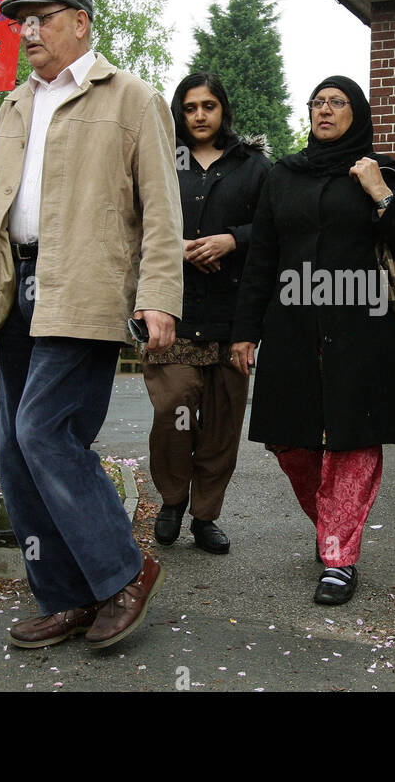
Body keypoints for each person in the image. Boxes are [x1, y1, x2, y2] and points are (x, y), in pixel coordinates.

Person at [0, 0, 183, 650]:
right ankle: (67, 597)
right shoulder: (12, 107)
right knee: (12, 451)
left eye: (42, 17)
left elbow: (161, 208)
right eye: (20, 22)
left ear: (83, 23)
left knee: (43, 431)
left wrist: (158, 295)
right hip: (18, 286)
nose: (27, 31)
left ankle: (124, 572)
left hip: (84, 287)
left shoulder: (133, 99)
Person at [230, 75, 395, 605]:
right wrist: (245, 331)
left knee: (352, 439)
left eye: (337, 103)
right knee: (290, 442)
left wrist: (380, 192)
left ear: (356, 113)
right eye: (317, 101)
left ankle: (339, 557)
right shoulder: (283, 176)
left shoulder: (377, 170)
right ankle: (333, 528)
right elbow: (261, 258)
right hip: (292, 327)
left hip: (362, 328)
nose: (324, 110)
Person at [144, 73, 271, 553]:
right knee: (173, 410)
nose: (199, 115)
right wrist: (171, 247)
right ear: (180, 112)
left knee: (221, 424)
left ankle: (205, 517)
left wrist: (232, 238)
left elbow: (274, 227)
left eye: (209, 106)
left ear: (224, 111)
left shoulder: (253, 166)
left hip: (232, 318)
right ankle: (172, 500)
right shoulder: (161, 159)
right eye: (190, 106)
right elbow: (135, 217)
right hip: (173, 312)